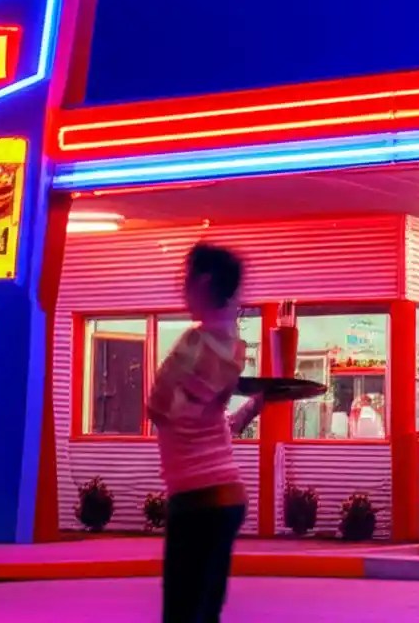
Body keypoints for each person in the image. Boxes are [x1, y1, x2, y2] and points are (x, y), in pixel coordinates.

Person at [147, 243, 264, 623]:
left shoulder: (195, 343)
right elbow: (207, 422)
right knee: (203, 610)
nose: (182, 288)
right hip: (224, 495)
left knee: (181, 612)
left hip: (196, 495)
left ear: (205, 282)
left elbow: (158, 408)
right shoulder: (233, 348)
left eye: (186, 279)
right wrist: (252, 406)